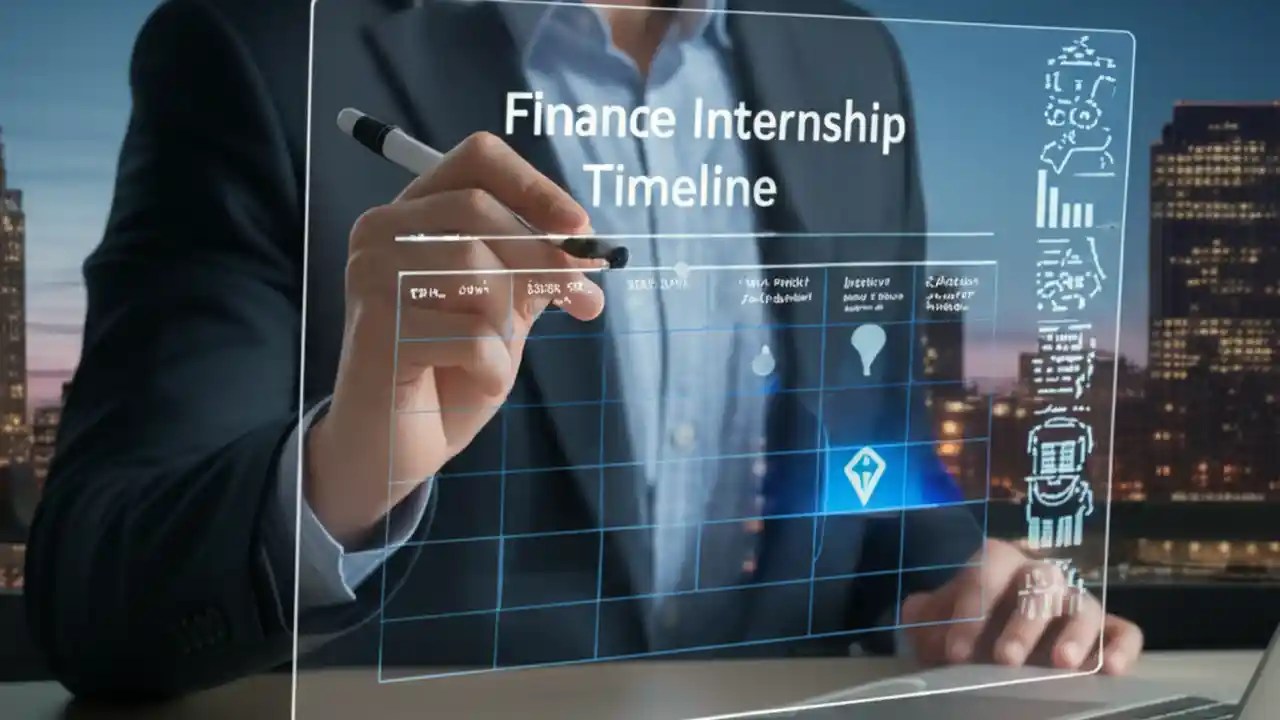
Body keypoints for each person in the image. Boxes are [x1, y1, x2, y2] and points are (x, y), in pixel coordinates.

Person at [24, 0, 1143, 700]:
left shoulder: (848, 58)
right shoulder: (262, 48)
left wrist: (965, 583)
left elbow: (872, 457)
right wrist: (350, 467)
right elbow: (93, 602)